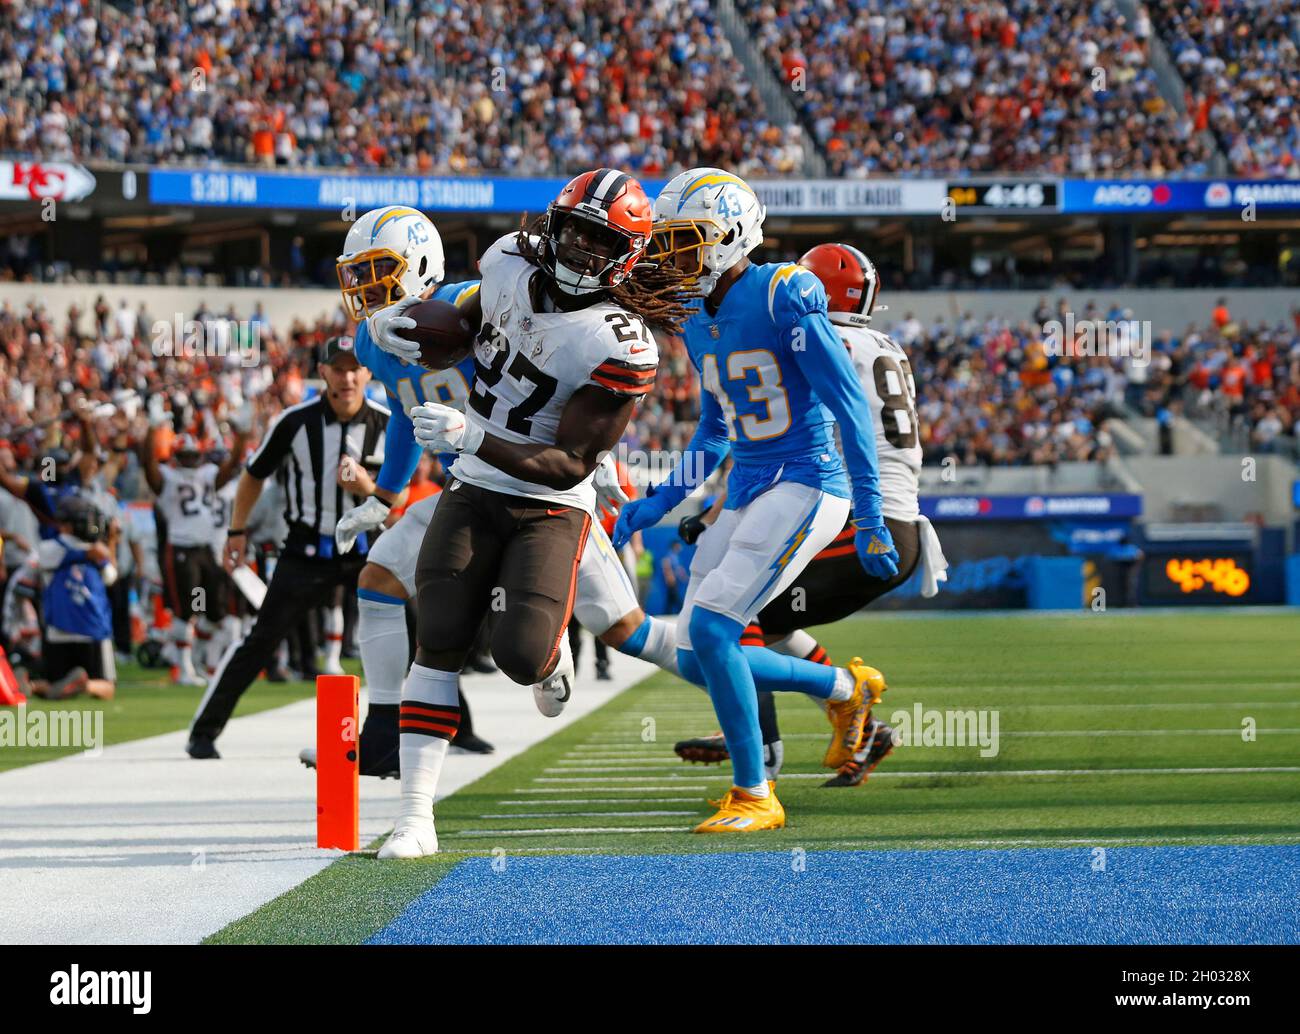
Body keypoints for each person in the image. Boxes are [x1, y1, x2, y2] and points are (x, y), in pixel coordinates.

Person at [364, 168, 694, 858]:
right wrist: (405, 326)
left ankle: (549, 660)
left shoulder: (622, 342)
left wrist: (471, 435)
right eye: (574, 232)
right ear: (553, 224)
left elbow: (571, 463)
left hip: (548, 503)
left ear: (626, 255)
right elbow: (468, 320)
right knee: (442, 633)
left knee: (520, 654)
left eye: (599, 242)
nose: (579, 251)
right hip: (474, 485)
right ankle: (415, 818)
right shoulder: (507, 262)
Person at [614, 170, 898, 833]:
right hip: (748, 487)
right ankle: (843, 690)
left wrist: (873, 514)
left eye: (686, 241)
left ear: (730, 235)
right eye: (668, 242)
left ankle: (755, 793)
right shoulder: (695, 316)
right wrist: (659, 502)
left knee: (715, 631)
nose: (671, 256)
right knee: (694, 653)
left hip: (806, 480)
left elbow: (848, 404)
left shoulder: (782, 292)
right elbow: (716, 430)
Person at [672, 243, 949, 787]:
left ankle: (764, 747)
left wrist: (712, 512)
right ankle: (859, 720)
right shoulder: (882, 343)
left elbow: (783, 441)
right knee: (766, 621)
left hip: (862, 524)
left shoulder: (817, 335)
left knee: (732, 620)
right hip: (894, 520)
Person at [186, 336, 392, 758]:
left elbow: (398, 496)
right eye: (338, 368)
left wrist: (366, 487)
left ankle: (450, 728)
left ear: (369, 372)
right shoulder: (295, 422)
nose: (348, 376)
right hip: (306, 549)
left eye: (355, 368)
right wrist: (237, 531)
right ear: (324, 374)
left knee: (414, 627)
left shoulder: (388, 423)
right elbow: (253, 474)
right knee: (262, 640)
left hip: (368, 547)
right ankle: (203, 733)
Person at [141, 425, 245, 685]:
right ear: (176, 457)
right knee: (185, 611)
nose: (190, 460)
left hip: (206, 551)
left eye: (192, 455)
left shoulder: (208, 475)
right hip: (180, 548)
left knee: (213, 612)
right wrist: (151, 434)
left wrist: (241, 437)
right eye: (185, 456)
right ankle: (184, 668)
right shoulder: (167, 477)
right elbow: (147, 465)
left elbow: (230, 468)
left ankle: (198, 661)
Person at [31, 495, 119, 701]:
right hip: (92, 631)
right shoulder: (91, 550)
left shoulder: (49, 547)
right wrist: (108, 546)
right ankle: (85, 684)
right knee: (107, 688)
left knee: (52, 683)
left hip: (58, 631)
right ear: (67, 525)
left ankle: (32, 685)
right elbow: (111, 576)